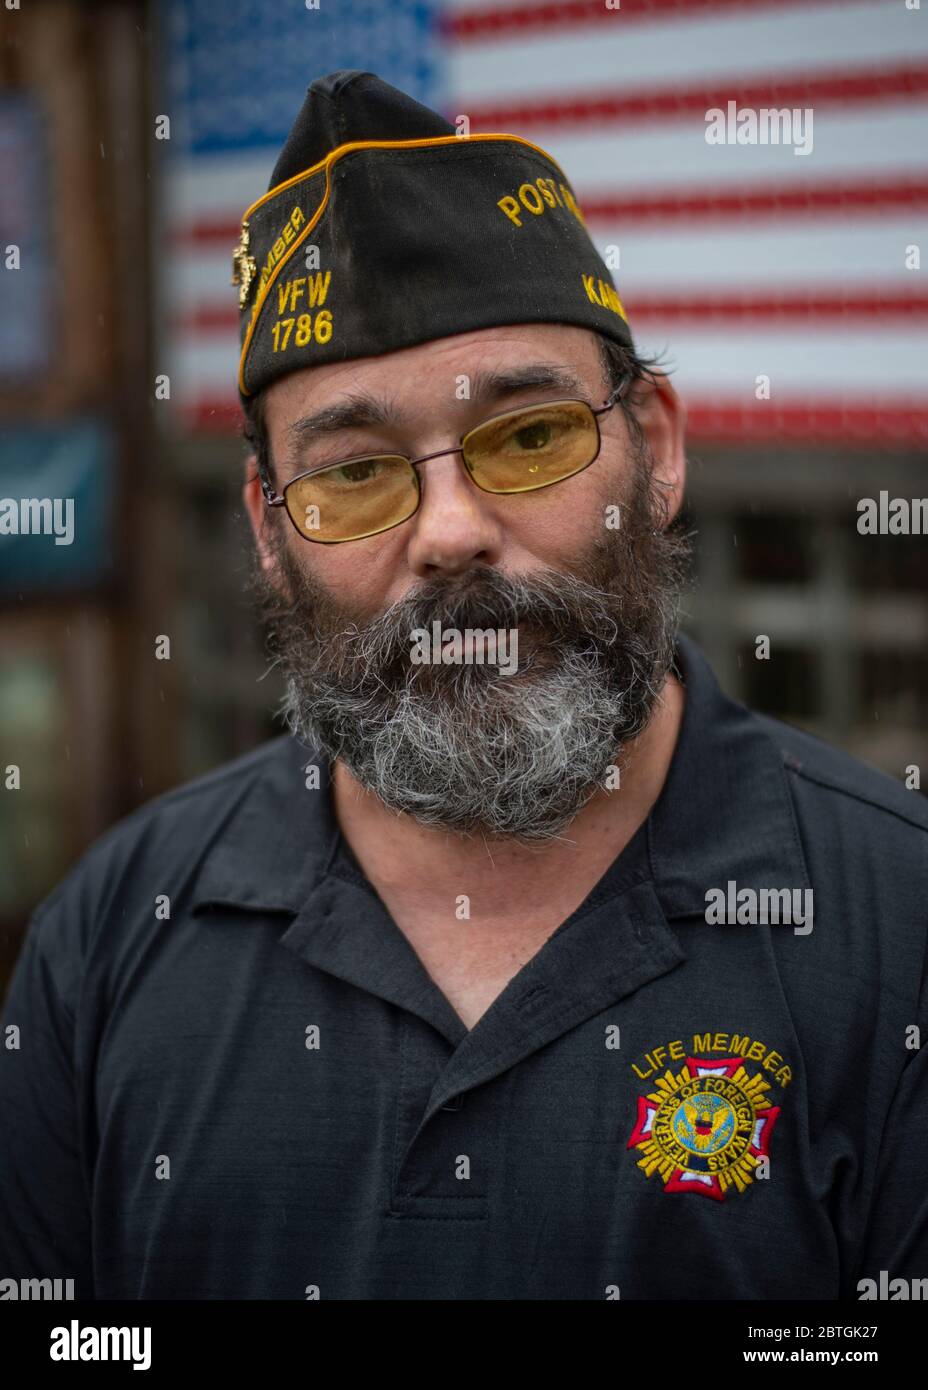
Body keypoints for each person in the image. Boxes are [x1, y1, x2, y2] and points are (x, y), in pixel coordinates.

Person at [2, 70, 927, 1301]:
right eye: (355, 474)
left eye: (529, 438)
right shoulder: (111, 942)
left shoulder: (895, 929)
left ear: (652, 448)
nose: (450, 531)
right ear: (271, 531)